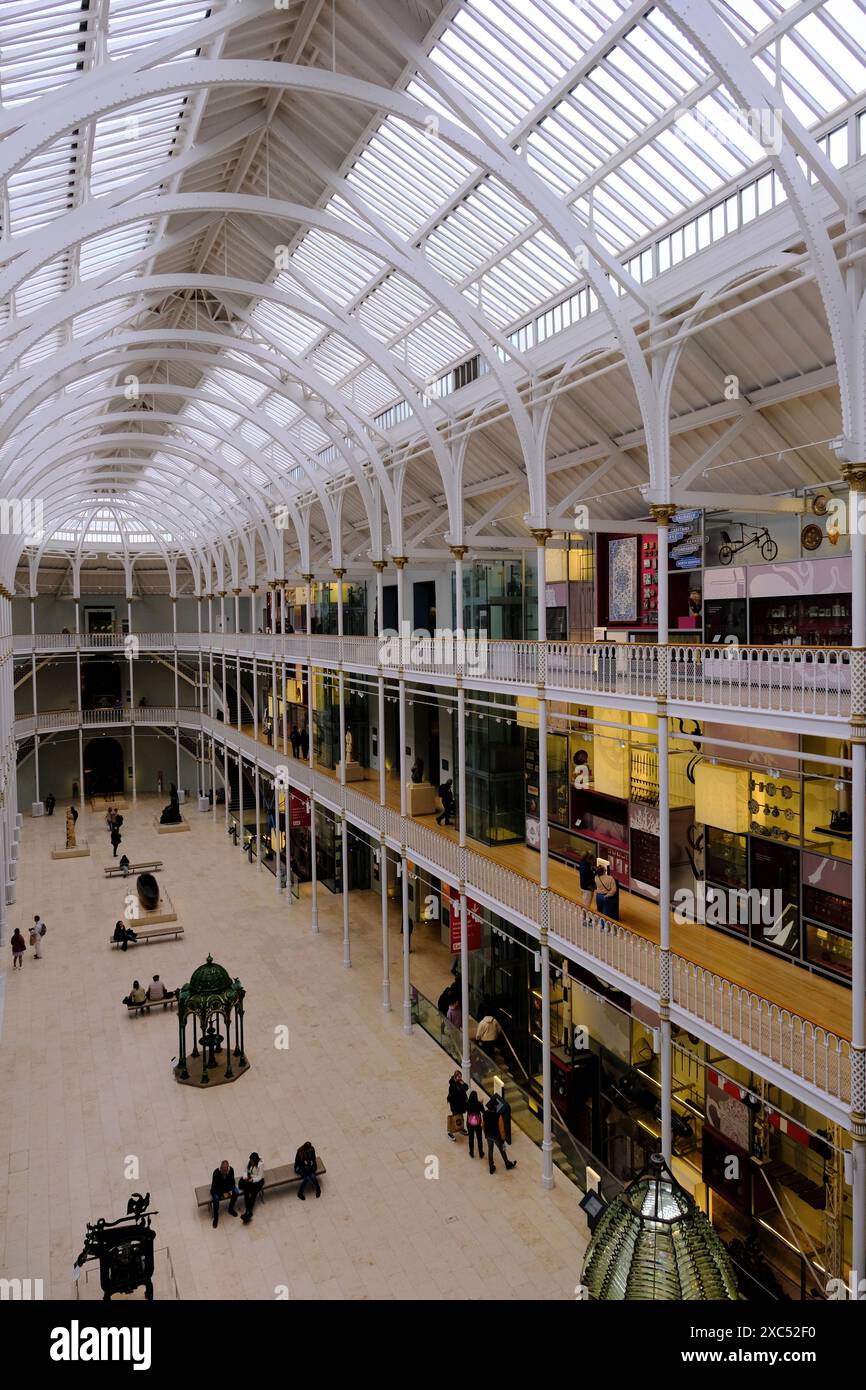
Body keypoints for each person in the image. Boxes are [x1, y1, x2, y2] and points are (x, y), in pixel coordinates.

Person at [484, 1095, 516, 1174]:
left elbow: (483, 1125)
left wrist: (486, 1133)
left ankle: (491, 1166)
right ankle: (507, 1163)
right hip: (496, 1136)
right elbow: (501, 1129)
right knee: (502, 1150)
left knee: (490, 1150)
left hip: (488, 1135)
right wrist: (503, 1138)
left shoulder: (485, 1114)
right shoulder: (498, 1116)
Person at [210, 1160, 240, 1226]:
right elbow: (215, 1187)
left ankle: (230, 1209)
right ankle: (216, 1217)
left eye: (226, 1171)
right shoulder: (216, 1173)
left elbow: (232, 1182)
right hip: (217, 1190)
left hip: (227, 1188)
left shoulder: (231, 1170)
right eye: (223, 1171)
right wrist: (222, 1193)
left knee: (236, 1192)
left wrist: (229, 1191)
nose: (224, 1172)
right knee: (216, 1199)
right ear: (221, 1168)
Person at [239, 1152, 265, 1223]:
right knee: (246, 1192)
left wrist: (252, 1180)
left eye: (253, 1161)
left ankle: (248, 1211)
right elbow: (245, 1171)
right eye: (251, 1161)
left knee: (254, 1194)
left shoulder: (261, 1165)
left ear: (256, 1160)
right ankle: (248, 1212)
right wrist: (245, 1177)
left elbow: (259, 1177)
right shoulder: (249, 1161)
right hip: (250, 1178)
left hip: (258, 1181)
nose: (251, 1162)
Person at [447, 1069, 468, 1141]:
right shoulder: (452, 1086)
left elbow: (466, 1088)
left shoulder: (460, 1083)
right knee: (454, 1119)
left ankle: (461, 1129)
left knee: (461, 1117)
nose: (460, 1078)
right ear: (455, 1077)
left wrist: (463, 1084)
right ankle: (450, 1133)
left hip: (461, 1105)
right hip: (455, 1106)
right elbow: (452, 1097)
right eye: (458, 1077)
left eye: (460, 1077)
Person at [466, 1091, 485, 1160]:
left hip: (470, 1123)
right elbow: (483, 1111)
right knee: (479, 1138)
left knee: (471, 1138)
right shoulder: (479, 1104)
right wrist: (481, 1104)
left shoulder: (468, 1103)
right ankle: (481, 1153)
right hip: (477, 1124)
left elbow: (466, 1110)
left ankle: (471, 1153)